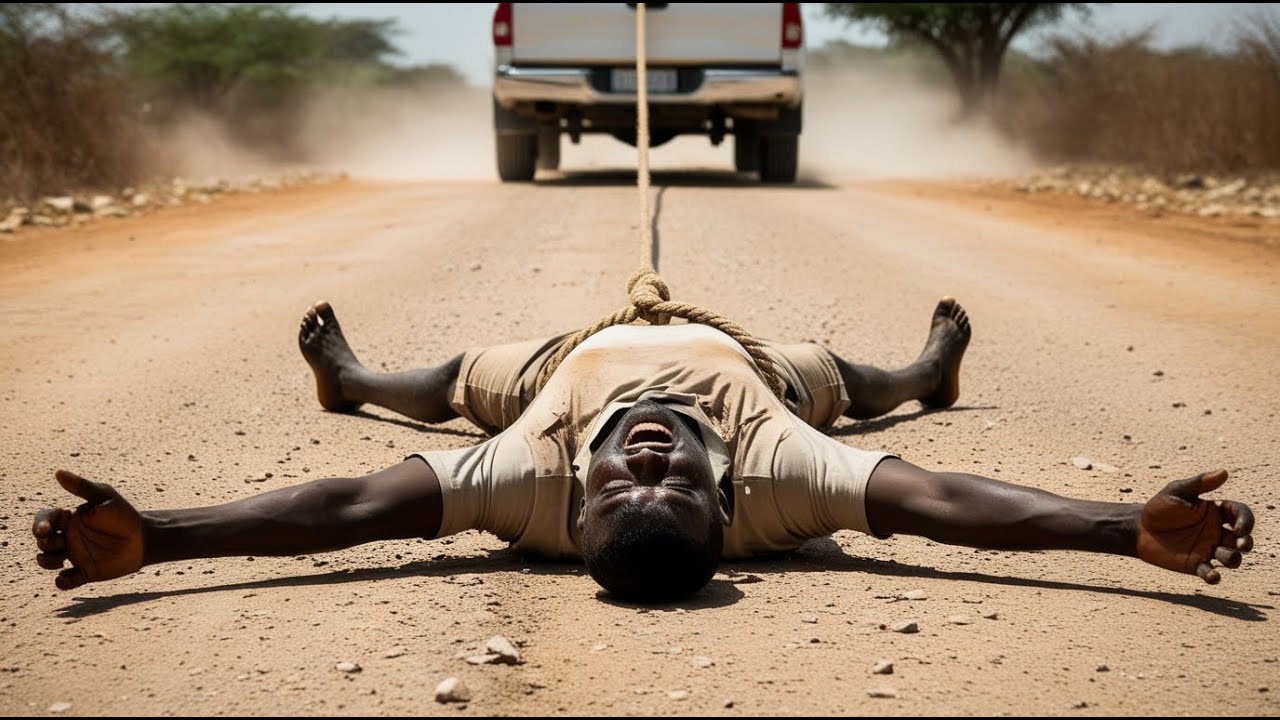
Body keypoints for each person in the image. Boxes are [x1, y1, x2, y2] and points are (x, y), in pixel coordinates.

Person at [32, 298, 1254, 602]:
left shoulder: (524, 484)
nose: (652, 458)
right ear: (729, 503)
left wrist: (164, 537)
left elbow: (348, 505)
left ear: (576, 493)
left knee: (462, 381)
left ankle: (352, 378)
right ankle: (922, 373)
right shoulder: (778, 479)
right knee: (843, 382)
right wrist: (1114, 529)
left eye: (629, 482)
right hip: (748, 357)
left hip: (562, 356)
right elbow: (935, 499)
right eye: (672, 479)